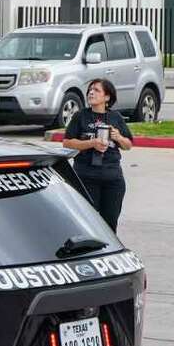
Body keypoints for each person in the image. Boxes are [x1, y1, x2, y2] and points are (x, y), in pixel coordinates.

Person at [62, 77, 133, 232]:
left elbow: (128, 145)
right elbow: (67, 143)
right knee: (89, 223)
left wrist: (118, 137)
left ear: (107, 97)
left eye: (96, 90)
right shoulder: (80, 116)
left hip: (112, 179)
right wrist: (91, 143)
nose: (91, 93)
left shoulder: (115, 117)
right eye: (90, 90)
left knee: (110, 223)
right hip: (86, 176)